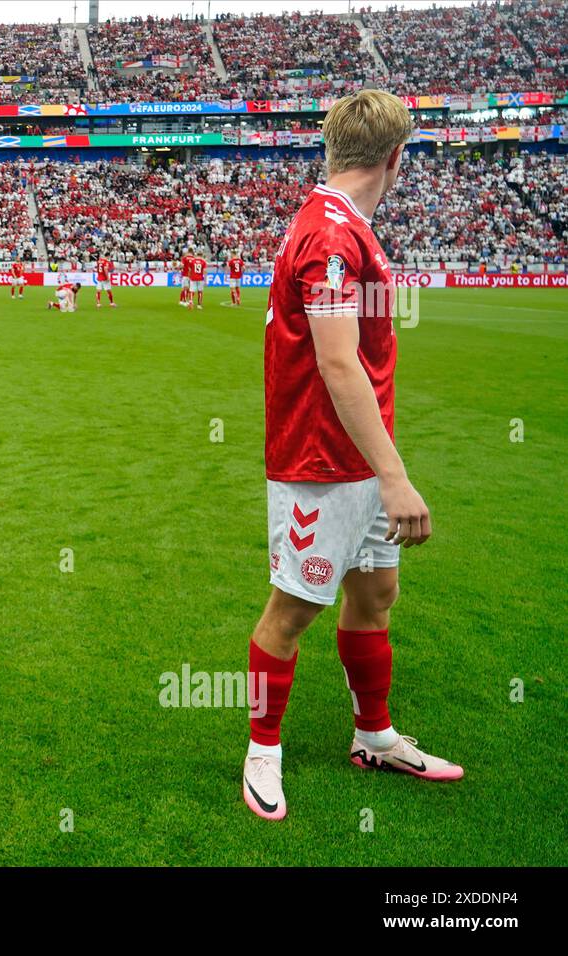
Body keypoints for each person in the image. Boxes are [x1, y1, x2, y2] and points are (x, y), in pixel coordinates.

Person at [242, 90, 461, 823]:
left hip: (361, 457)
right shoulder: (333, 238)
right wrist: (397, 478)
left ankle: (374, 736)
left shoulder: (341, 226)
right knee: (294, 608)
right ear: (396, 159)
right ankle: (262, 750)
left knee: (374, 597)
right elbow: (338, 366)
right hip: (320, 460)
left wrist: (385, 465)